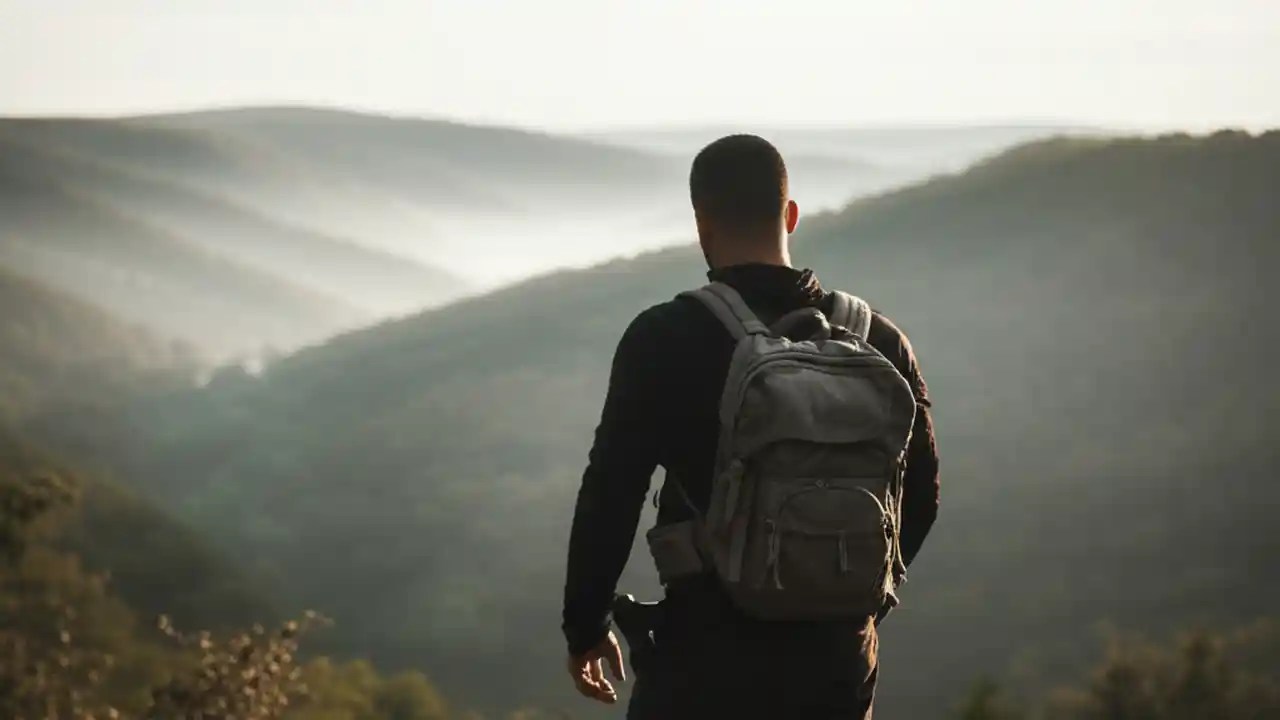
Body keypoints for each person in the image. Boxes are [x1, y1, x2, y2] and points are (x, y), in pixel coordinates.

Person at [562, 134, 940, 719]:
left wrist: (585, 625)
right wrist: (847, 596)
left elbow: (611, 493)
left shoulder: (665, 338)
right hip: (837, 669)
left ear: (701, 223)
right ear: (790, 214)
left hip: (705, 661)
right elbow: (920, 497)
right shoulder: (880, 341)